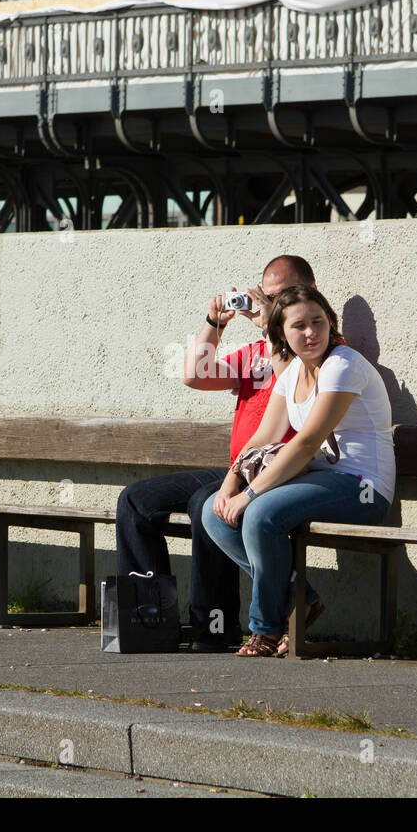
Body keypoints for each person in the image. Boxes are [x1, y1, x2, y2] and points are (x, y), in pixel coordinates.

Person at [115, 256, 315, 650]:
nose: (268, 305)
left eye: (279, 298)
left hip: (282, 470)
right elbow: (195, 375)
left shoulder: (317, 346)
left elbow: (294, 379)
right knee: (136, 500)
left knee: (204, 504)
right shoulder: (256, 350)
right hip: (238, 468)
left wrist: (274, 329)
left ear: (307, 294)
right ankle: (149, 622)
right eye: (264, 296)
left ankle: (215, 628)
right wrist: (215, 323)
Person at [200, 284, 395, 657]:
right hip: (321, 481)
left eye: (318, 322)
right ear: (281, 335)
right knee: (214, 513)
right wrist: (229, 485)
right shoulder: (291, 375)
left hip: (362, 487)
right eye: (299, 326)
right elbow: (264, 436)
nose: (310, 333)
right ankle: (299, 598)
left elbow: (306, 442)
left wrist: (249, 495)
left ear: (330, 324)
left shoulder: (343, 365)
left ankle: (265, 631)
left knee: (260, 514)